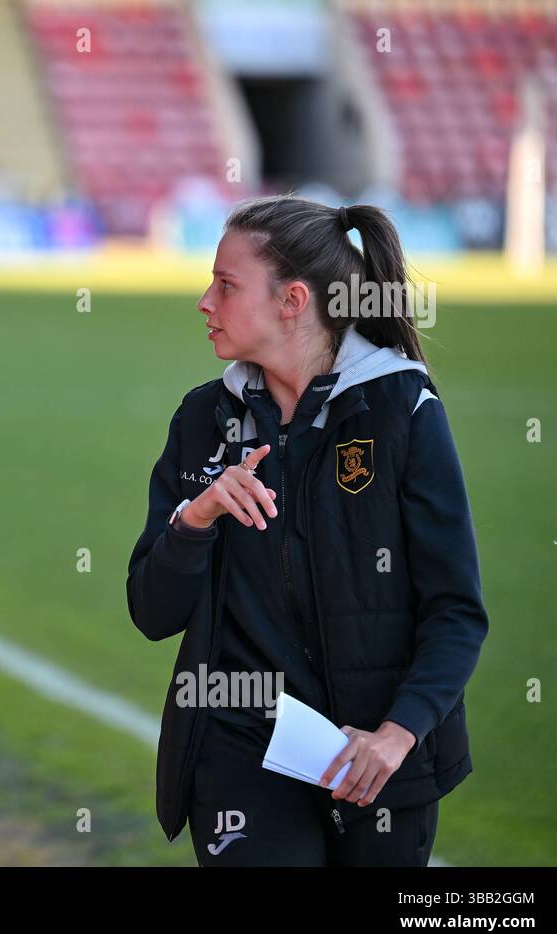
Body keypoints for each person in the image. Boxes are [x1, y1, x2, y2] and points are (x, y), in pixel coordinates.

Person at [126, 196, 488, 866]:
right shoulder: (202, 420)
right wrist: (196, 519)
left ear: (293, 300)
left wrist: (397, 734)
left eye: (226, 285)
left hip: (376, 759)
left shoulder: (403, 409)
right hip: (239, 748)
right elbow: (151, 611)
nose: (205, 301)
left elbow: (457, 611)